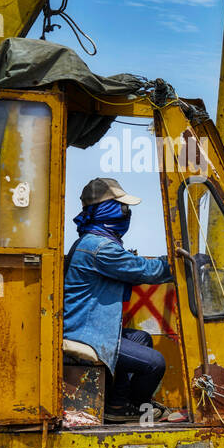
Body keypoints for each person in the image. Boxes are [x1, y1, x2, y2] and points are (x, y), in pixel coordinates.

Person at [63, 177, 174, 422]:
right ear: (109, 211)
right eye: (123, 208)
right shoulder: (101, 248)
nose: (127, 214)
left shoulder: (92, 242)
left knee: (141, 337)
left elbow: (132, 269)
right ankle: (129, 408)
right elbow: (146, 271)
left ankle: (118, 401)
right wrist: (179, 263)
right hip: (86, 333)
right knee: (155, 363)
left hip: (92, 328)